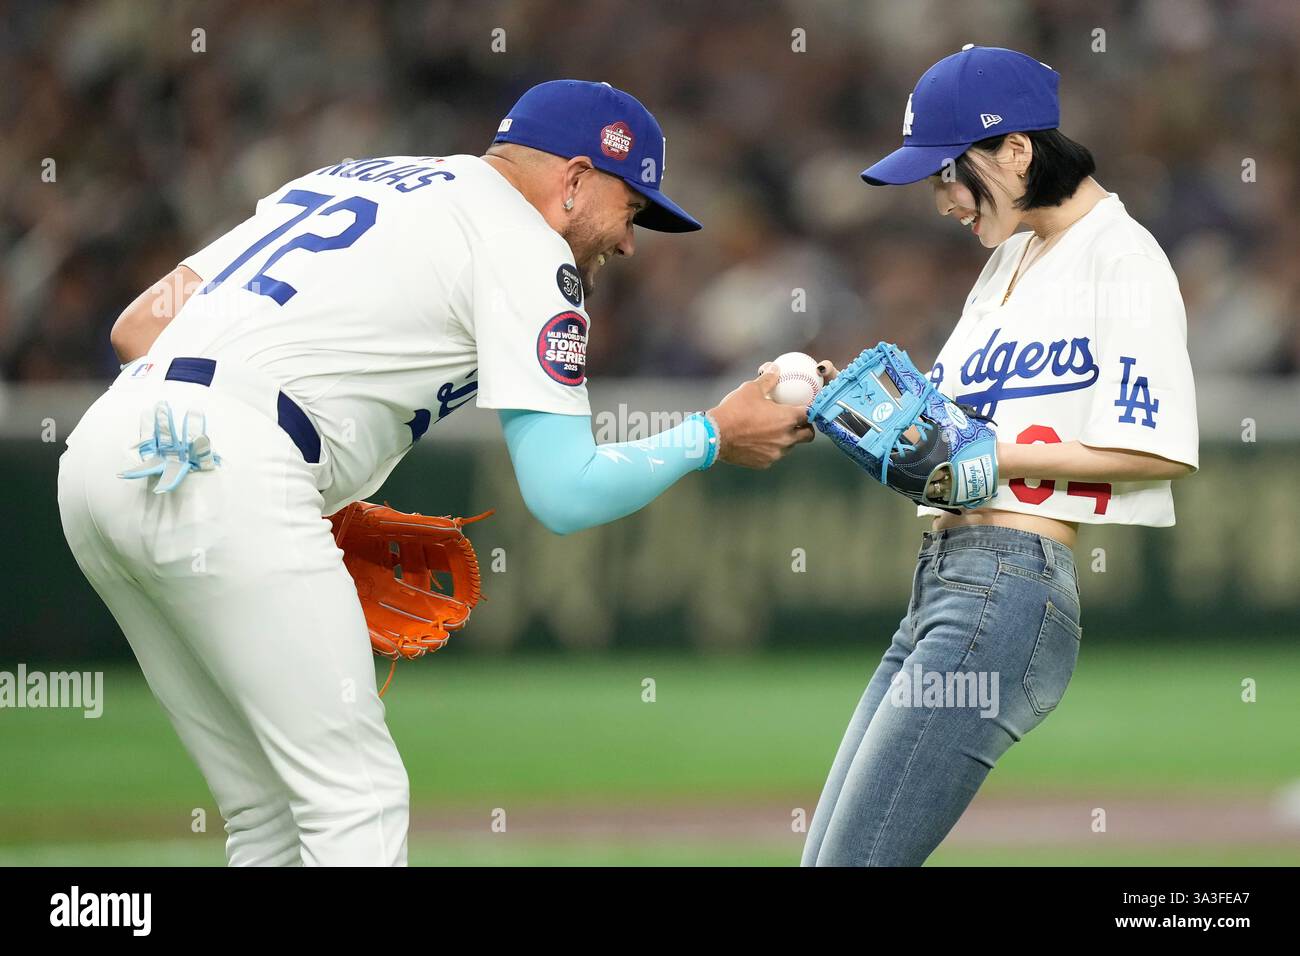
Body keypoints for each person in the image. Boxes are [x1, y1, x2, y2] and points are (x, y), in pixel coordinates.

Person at [57, 79, 812, 867]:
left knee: (270, 814)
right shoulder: (525, 245)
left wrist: (279, 483)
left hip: (106, 454)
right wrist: (712, 434)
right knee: (357, 801)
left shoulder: (343, 178)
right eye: (633, 208)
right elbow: (565, 491)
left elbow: (138, 325)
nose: (629, 242)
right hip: (232, 466)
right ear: (577, 181)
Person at [802, 46, 1199, 866]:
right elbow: (945, 431)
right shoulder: (1008, 258)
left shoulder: (1122, 256)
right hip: (944, 581)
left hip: (1009, 586)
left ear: (1016, 150)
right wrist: (849, 398)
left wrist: (993, 452)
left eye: (948, 174)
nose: (942, 199)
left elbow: (1156, 450)